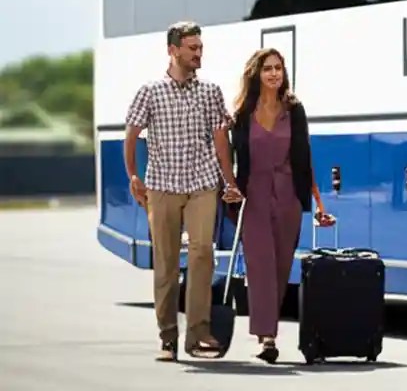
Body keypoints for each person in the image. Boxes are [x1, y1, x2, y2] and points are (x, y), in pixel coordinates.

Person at [124, 20, 238, 361]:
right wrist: (133, 175)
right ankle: (168, 337)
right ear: (173, 50)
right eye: (192, 48)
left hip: (203, 184)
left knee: (204, 253)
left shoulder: (211, 92)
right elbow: (131, 135)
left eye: (200, 48)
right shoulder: (150, 91)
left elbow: (222, 139)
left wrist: (229, 181)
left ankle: (199, 334)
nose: (198, 54)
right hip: (162, 187)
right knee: (167, 262)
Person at [220, 48, 332, 364]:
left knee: (281, 265)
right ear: (256, 74)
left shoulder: (294, 110)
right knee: (260, 265)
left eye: (278, 68)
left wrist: (318, 204)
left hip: (288, 196)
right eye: (267, 68)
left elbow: (305, 159)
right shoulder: (242, 113)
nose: (273, 74)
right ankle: (267, 336)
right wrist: (230, 188)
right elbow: (228, 152)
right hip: (253, 193)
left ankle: (268, 327)